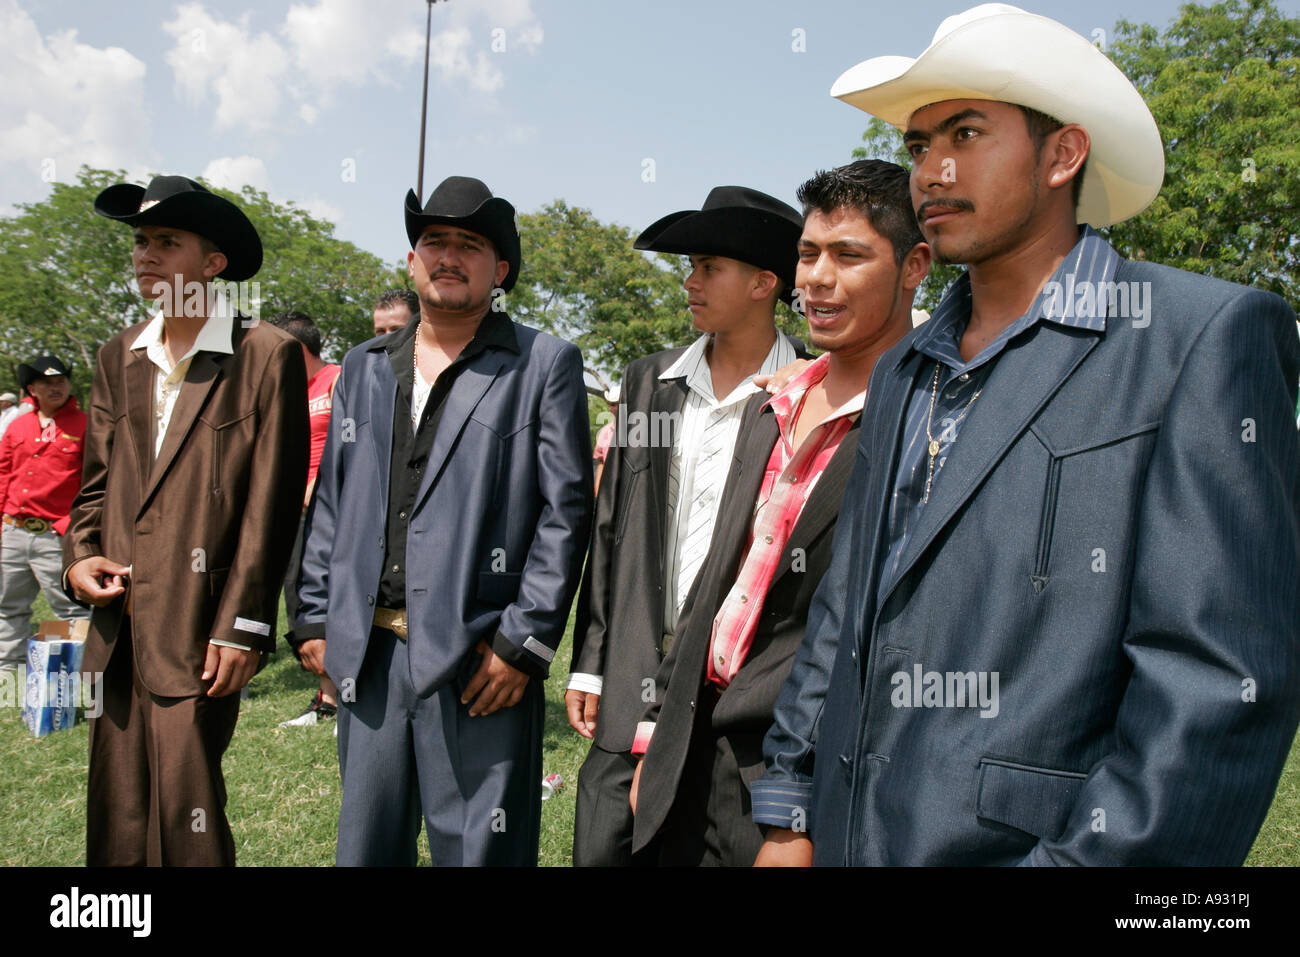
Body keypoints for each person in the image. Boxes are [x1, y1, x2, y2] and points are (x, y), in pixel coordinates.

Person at [753, 3, 1300, 866]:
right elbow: (846, 604)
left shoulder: (1197, 337)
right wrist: (787, 804)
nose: (931, 170)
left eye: (966, 134)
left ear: (1063, 153)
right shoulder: (904, 368)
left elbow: (1216, 688)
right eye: (919, 144)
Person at [629, 161, 930, 865]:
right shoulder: (776, 401)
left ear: (915, 264)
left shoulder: (928, 420)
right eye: (807, 253)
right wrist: (664, 738)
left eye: (849, 255)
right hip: (694, 749)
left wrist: (793, 815)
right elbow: (714, 587)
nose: (817, 279)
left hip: (804, 778)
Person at [294, 176, 592, 866]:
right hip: (368, 656)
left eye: (470, 244)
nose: (448, 255)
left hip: (479, 656)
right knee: (366, 846)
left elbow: (565, 511)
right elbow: (333, 498)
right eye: (434, 241)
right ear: (410, 260)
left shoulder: (542, 364)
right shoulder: (365, 369)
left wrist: (525, 642)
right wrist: (314, 615)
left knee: (481, 852)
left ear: (501, 270)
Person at [63, 174, 308, 866]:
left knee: (186, 808)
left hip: (204, 625)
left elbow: (272, 503)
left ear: (213, 263)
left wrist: (244, 623)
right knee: (118, 811)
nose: (145, 253)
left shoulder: (266, 354)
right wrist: (80, 556)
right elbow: (96, 486)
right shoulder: (119, 355)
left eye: (166, 240)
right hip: (118, 627)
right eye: (140, 241)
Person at [566, 186, 805, 866]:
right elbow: (612, 530)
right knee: (603, 846)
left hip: (733, 698)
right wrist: (590, 662)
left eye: (708, 265)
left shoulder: (804, 394)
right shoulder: (650, 382)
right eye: (689, 264)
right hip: (633, 676)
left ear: (765, 282)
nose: (690, 281)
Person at [268, 311, 342, 728]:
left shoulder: (339, 378)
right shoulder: (287, 390)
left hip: (333, 511)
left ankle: (337, 695)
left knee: (334, 597)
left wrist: (323, 482)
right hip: (292, 514)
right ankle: (327, 695)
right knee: (300, 599)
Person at [0, 356, 90, 670]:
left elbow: (95, 482)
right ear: (32, 389)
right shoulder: (17, 425)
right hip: (13, 530)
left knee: (73, 608)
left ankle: (81, 672)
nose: (56, 387)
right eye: (47, 383)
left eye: (61, 381)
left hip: (56, 533)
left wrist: (74, 525)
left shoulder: (84, 424)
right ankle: (8, 670)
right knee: (8, 607)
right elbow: (3, 473)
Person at [592, 386, 618, 497]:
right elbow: (601, 463)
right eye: (612, 404)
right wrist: (597, 492)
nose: (615, 408)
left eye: (619, 403)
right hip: (608, 488)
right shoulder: (604, 432)